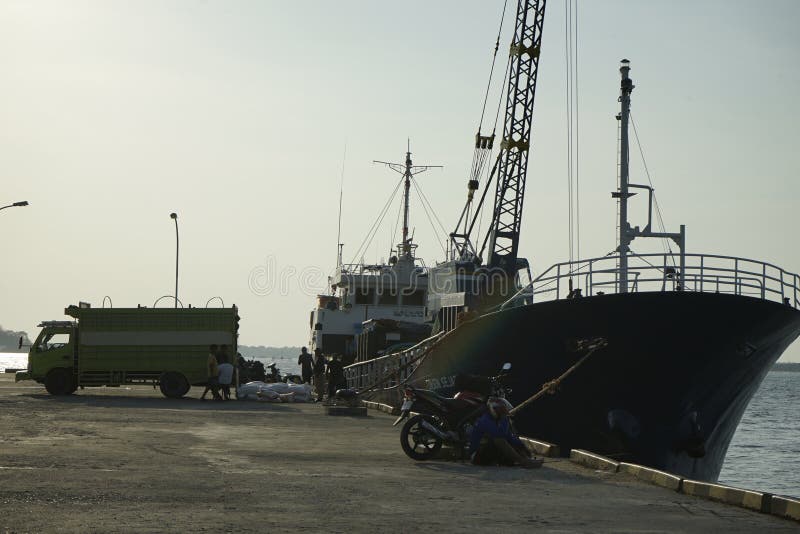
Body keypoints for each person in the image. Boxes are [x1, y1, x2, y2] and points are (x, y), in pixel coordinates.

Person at [468, 398, 542, 469]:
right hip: (477, 456)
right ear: (494, 409)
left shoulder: (499, 420)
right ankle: (524, 462)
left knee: (515, 445)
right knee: (499, 440)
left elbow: (510, 437)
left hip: (491, 451)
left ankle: (527, 459)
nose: (504, 412)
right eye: (502, 410)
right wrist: (504, 418)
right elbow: (499, 436)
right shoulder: (484, 420)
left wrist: (523, 450)